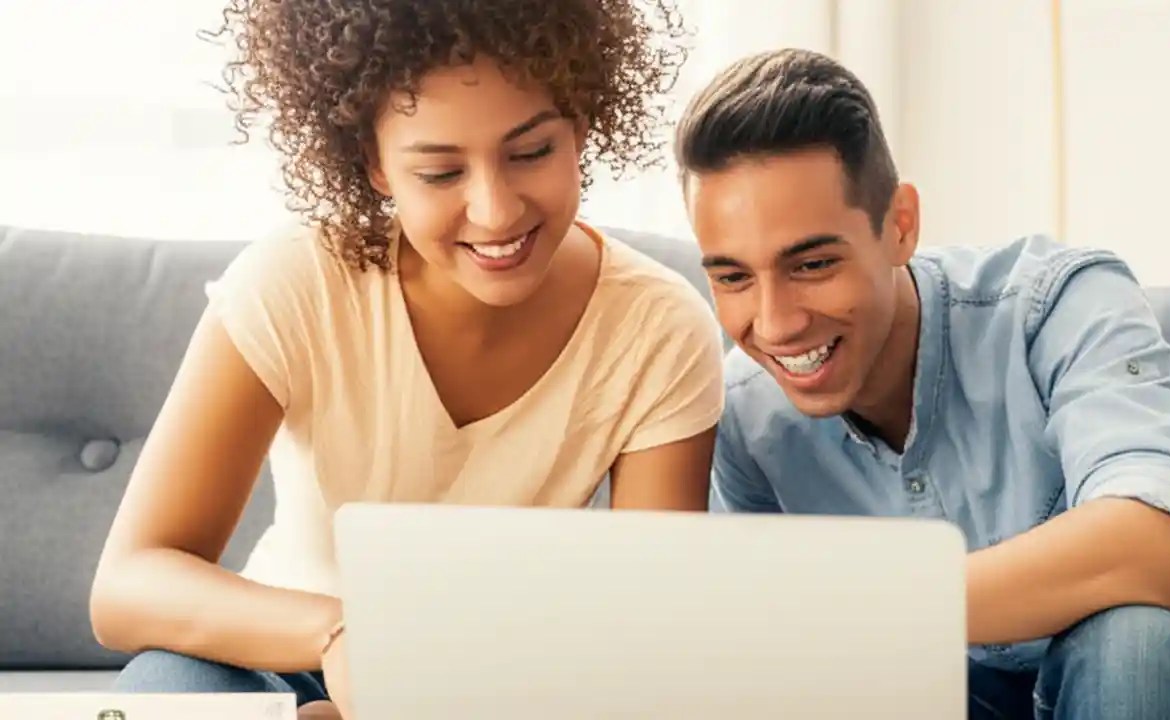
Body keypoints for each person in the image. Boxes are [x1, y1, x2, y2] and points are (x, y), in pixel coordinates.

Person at [89, 1, 722, 718]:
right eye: (441, 173)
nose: (495, 211)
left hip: (508, 680)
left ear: (580, 124)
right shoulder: (299, 282)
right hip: (283, 654)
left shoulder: (658, 329)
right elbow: (127, 585)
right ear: (376, 166)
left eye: (531, 153)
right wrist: (340, 632)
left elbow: (648, 632)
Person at [675, 47, 1170, 719]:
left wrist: (867, 602)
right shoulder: (745, 418)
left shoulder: (1059, 302)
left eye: (813, 264)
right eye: (732, 277)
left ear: (899, 226)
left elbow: (1159, 545)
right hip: (968, 696)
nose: (775, 323)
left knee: (1125, 642)